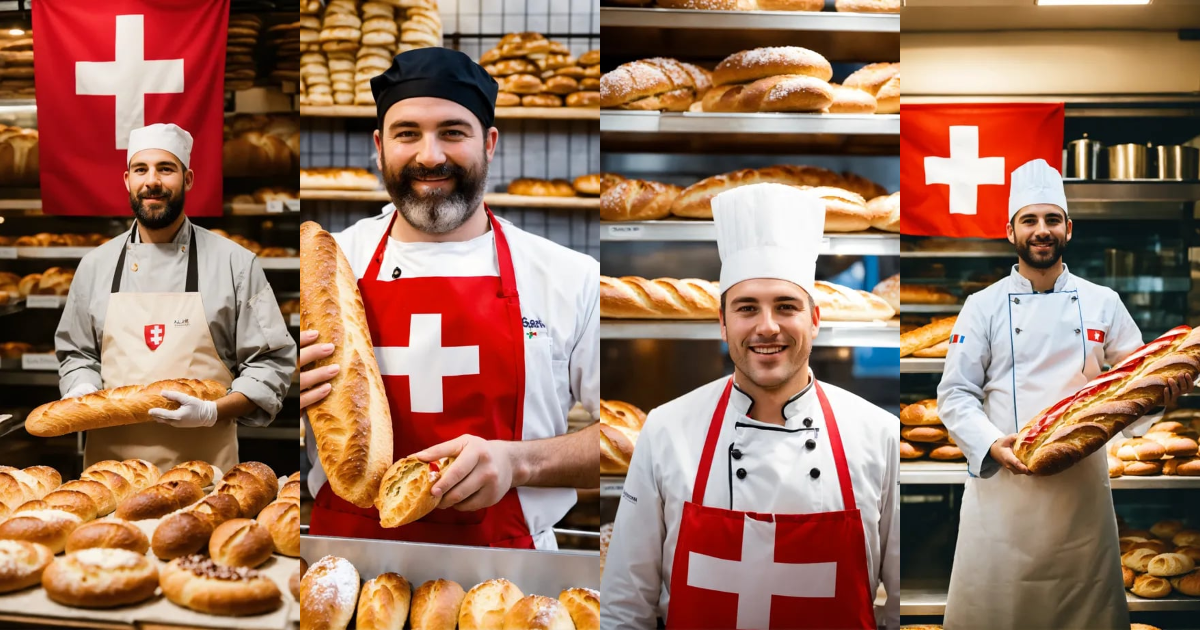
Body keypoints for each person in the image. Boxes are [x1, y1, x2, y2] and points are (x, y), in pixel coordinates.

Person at [299, 47, 600, 550]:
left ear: (490, 142)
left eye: (453, 132)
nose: (430, 156)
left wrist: (519, 462)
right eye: (407, 134)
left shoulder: (568, 276)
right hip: (346, 560)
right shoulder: (332, 269)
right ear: (379, 146)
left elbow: (628, 440)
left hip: (508, 570)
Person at [601, 183, 899, 630]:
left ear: (814, 320)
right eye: (746, 308)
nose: (767, 326)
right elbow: (625, 604)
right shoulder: (666, 430)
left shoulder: (878, 433)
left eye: (786, 306)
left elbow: (898, 604)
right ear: (722, 322)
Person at [938, 158, 1193, 629]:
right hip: (1004, 492)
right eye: (1029, 220)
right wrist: (992, 443)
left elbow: (1135, 385)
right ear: (1010, 230)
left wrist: (1162, 394)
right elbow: (955, 393)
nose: (1041, 230)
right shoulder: (982, 306)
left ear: (1068, 229)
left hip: (1080, 493)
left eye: (1051, 219)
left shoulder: (1102, 301)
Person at [55, 123, 296, 472]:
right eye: (141, 169)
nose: (152, 181)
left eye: (165, 169)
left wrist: (213, 411)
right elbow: (76, 352)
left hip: (207, 474)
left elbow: (270, 363)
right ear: (127, 180)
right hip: (110, 476)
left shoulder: (235, 263)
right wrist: (82, 386)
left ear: (188, 179)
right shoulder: (95, 266)